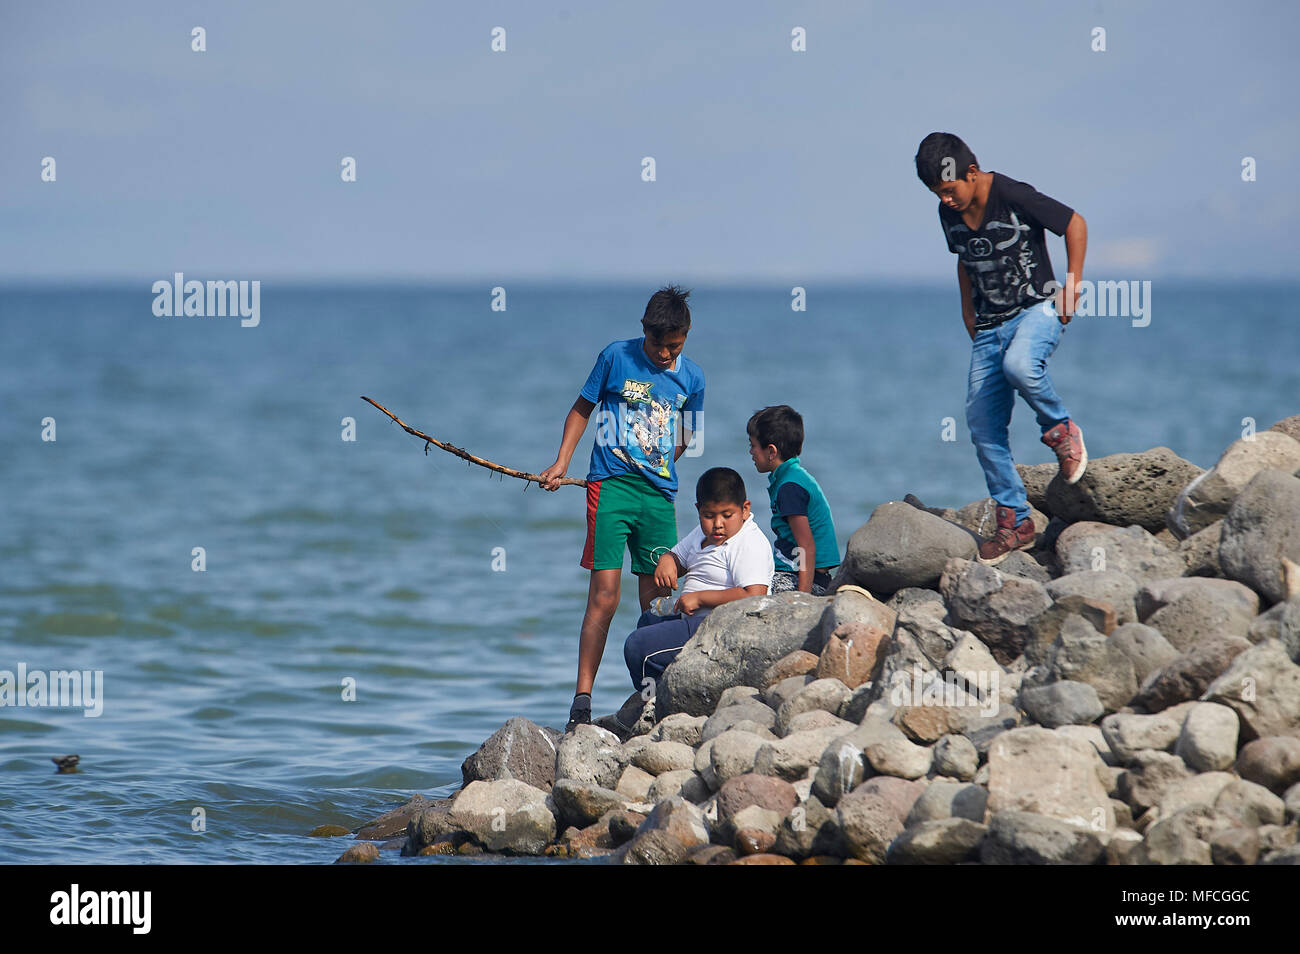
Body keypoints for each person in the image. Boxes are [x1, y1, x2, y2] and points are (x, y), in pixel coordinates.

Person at [914, 132, 1089, 565]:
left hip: (1037, 309)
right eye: (938, 193)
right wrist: (967, 312)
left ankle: (1062, 430)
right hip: (989, 324)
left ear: (971, 172)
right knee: (980, 422)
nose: (946, 200)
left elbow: (1074, 223)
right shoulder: (947, 212)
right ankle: (1015, 519)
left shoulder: (1010, 193)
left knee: (1021, 365)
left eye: (951, 190)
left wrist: (1072, 284)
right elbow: (963, 258)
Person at [537, 285, 705, 732]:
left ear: (686, 336)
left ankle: (650, 699)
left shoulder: (693, 378)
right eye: (658, 344)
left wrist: (662, 460)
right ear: (644, 333)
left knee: (656, 600)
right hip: (609, 488)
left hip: (658, 497)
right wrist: (562, 462)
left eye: (675, 345)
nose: (666, 354)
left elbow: (687, 436)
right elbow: (582, 408)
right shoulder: (615, 356)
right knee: (605, 598)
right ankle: (581, 703)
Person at [623, 467, 773, 697]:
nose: (718, 524)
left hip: (719, 629)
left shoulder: (748, 541)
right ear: (698, 510)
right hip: (692, 618)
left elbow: (754, 596)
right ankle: (664, 688)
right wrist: (667, 560)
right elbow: (680, 558)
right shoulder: (703, 535)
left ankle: (651, 704)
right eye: (709, 515)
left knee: (638, 646)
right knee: (648, 620)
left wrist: (701, 598)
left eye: (727, 515)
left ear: (745, 509)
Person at [746, 405, 839, 594]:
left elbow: (806, 547)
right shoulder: (793, 477)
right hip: (803, 572)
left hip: (800, 577)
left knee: (750, 591)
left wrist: (802, 598)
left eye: (753, 445)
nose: (751, 452)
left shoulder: (789, 488)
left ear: (771, 451)